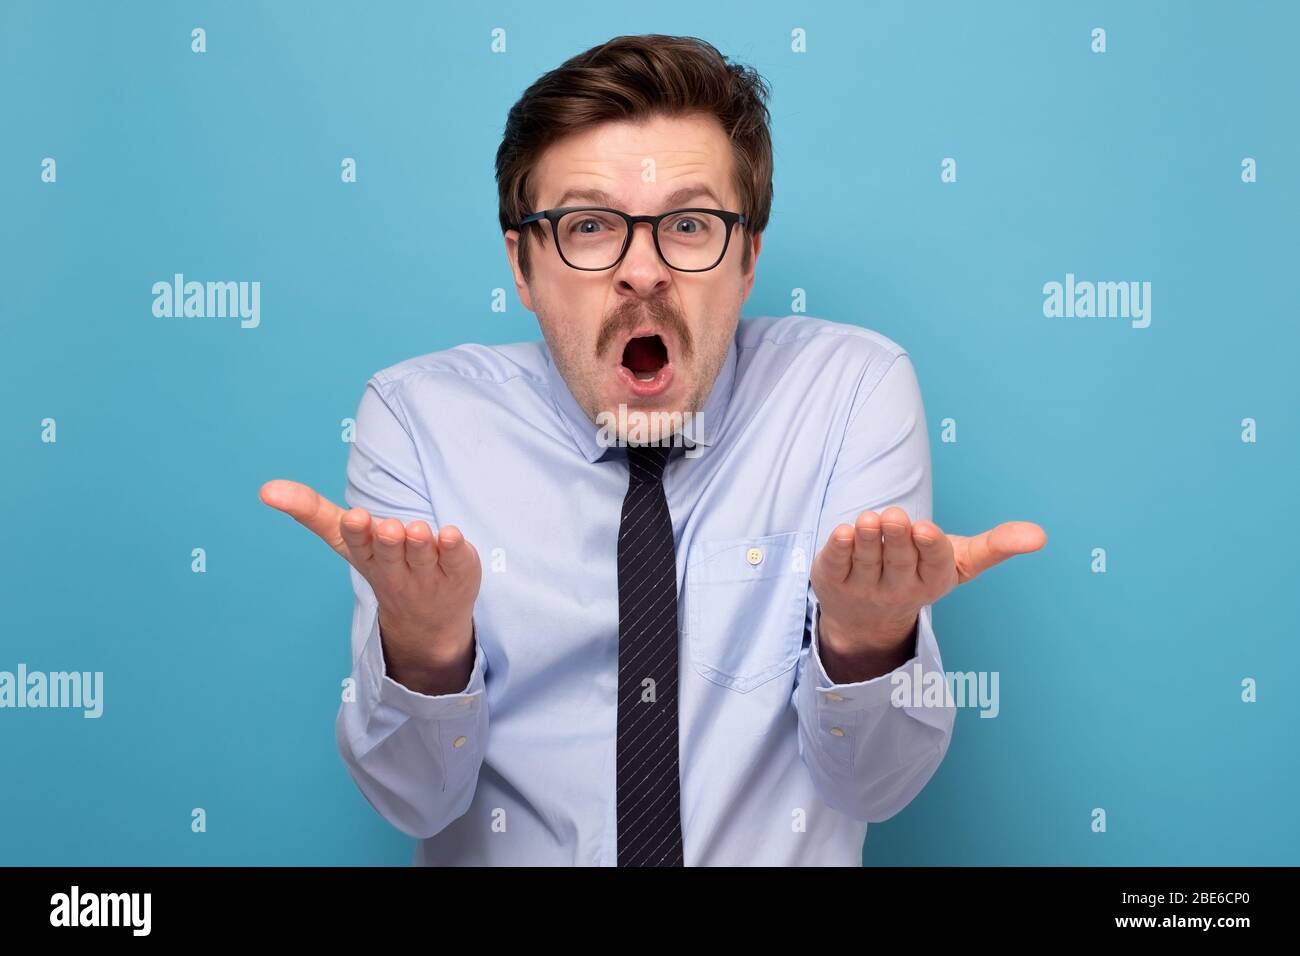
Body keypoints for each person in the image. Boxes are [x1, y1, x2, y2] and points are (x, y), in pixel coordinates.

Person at [260, 34, 1046, 866]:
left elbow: (874, 790)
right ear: (521, 265)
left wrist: (869, 640)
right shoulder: (418, 419)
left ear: (747, 259)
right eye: (590, 225)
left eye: (690, 223)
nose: (644, 271)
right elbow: (413, 800)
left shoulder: (851, 392)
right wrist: (421, 649)